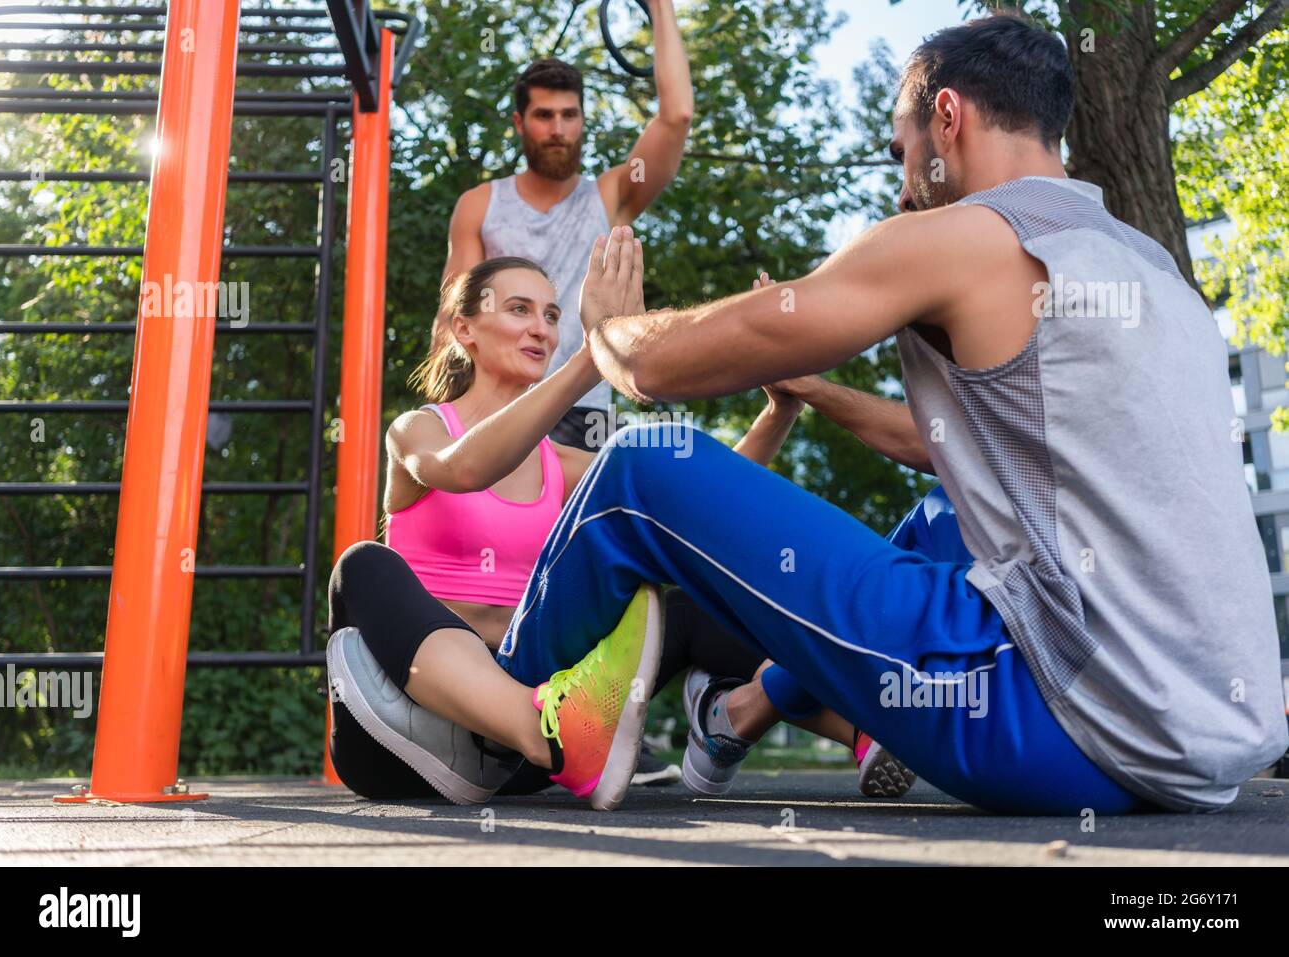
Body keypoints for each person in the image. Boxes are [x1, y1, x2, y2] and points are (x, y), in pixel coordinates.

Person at [488, 11, 1285, 814]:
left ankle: (483, 724)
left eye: (904, 153)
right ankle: (733, 713)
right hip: (1206, 738)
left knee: (643, 467)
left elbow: (653, 369)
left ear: (948, 117)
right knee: (949, 517)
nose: (904, 187)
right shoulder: (1147, 268)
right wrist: (816, 389)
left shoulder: (957, 236)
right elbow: (962, 450)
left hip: (1065, 726)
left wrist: (606, 327)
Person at [326, 256, 911, 805]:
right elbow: (466, 467)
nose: (542, 328)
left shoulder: (560, 464)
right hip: (402, 739)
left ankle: (868, 728)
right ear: (465, 329)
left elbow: (696, 503)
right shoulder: (417, 432)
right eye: (519, 309)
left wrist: (782, 406)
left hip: (520, 749)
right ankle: (543, 732)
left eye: (553, 315)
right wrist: (595, 352)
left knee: (694, 598)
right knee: (361, 565)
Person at [432, 3, 692, 453]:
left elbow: (677, 117)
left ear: (582, 121)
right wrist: (445, 417)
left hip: (583, 407)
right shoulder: (480, 205)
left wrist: (661, 7)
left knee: (580, 524)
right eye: (544, 115)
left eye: (569, 115)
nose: (558, 129)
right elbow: (453, 320)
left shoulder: (612, 196)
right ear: (520, 123)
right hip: (498, 405)